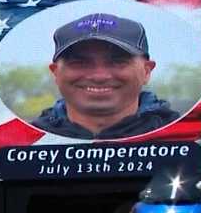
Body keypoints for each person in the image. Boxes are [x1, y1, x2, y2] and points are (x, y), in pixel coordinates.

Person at [32, 12, 180, 139]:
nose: (99, 76)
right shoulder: (22, 142)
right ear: (55, 73)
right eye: (80, 62)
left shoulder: (188, 135)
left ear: (146, 71)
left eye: (117, 62)